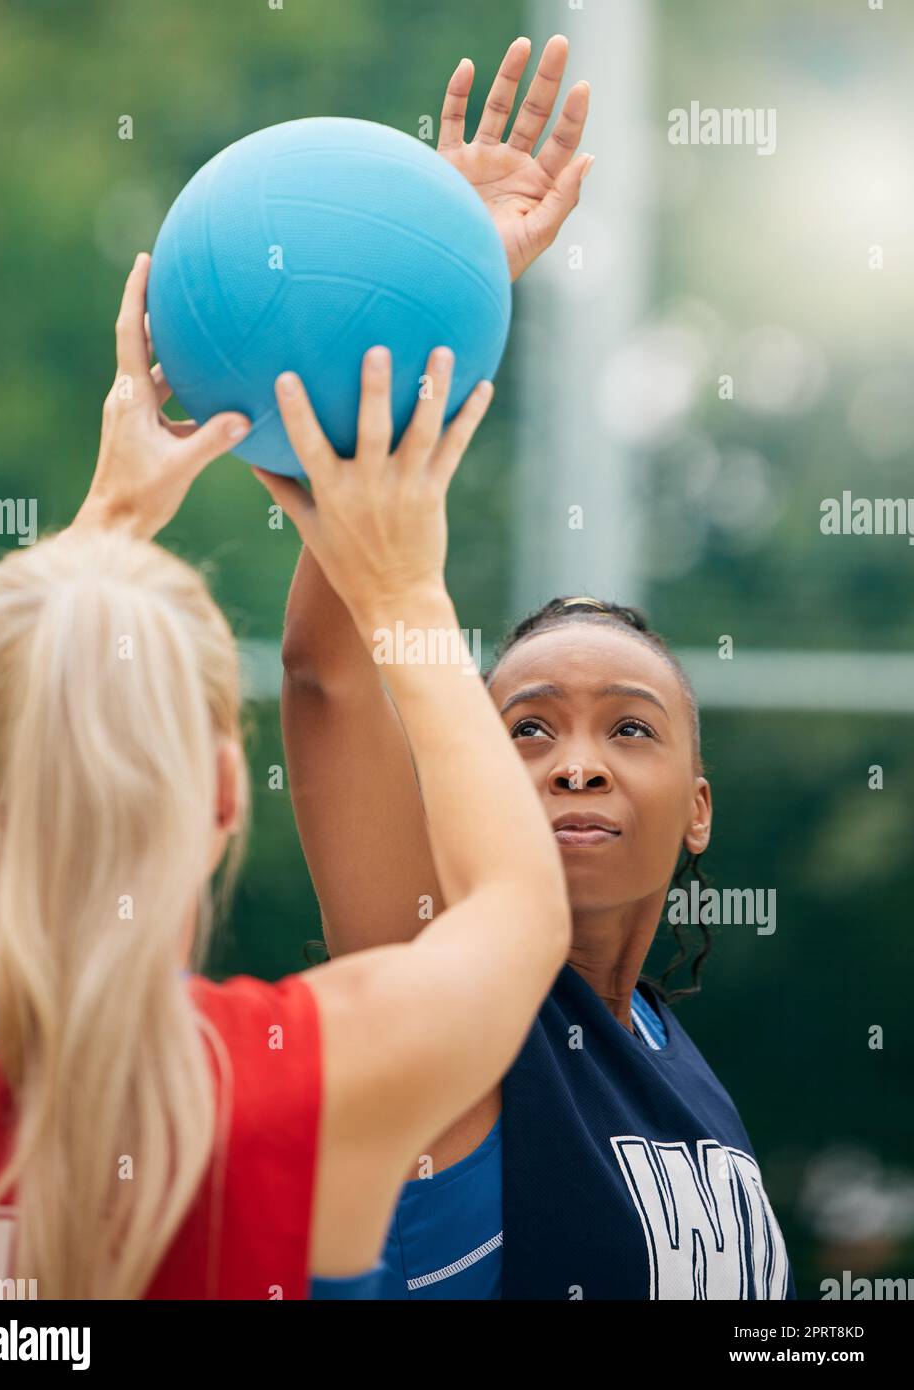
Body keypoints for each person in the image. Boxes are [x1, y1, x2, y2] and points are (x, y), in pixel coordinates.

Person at [0, 253, 570, 1300]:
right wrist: (403, 590)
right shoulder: (306, 1079)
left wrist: (109, 517)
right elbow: (520, 909)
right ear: (230, 790)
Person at [277, 39, 795, 1300]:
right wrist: (435, 287)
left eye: (630, 729)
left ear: (700, 806)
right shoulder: (457, 998)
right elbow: (330, 682)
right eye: (522, 729)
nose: (574, 763)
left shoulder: (686, 1075)